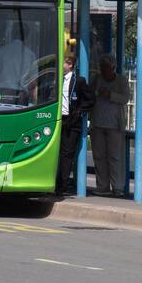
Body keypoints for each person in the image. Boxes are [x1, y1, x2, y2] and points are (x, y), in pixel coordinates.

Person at [89, 54, 130, 197]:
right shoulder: (96, 79)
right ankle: (102, 186)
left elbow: (125, 98)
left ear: (113, 67)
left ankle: (118, 187)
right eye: (102, 68)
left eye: (106, 68)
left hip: (115, 125)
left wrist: (110, 95)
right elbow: (89, 95)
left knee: (115, 157)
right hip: (97, 124)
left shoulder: (122, 80)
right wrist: (96, 93)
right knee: (99, 156)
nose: (103, 71)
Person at [55, 50, 93, 195]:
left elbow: (90, 100)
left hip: (71, 122)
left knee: (67, 154)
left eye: (63, 62)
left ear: (70, 65)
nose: (62, 65)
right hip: (59, 119)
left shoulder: (79, 81)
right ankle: (55, 181)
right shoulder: (58, 79)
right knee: (57, 152)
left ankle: (62, 185)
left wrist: (79, 112)